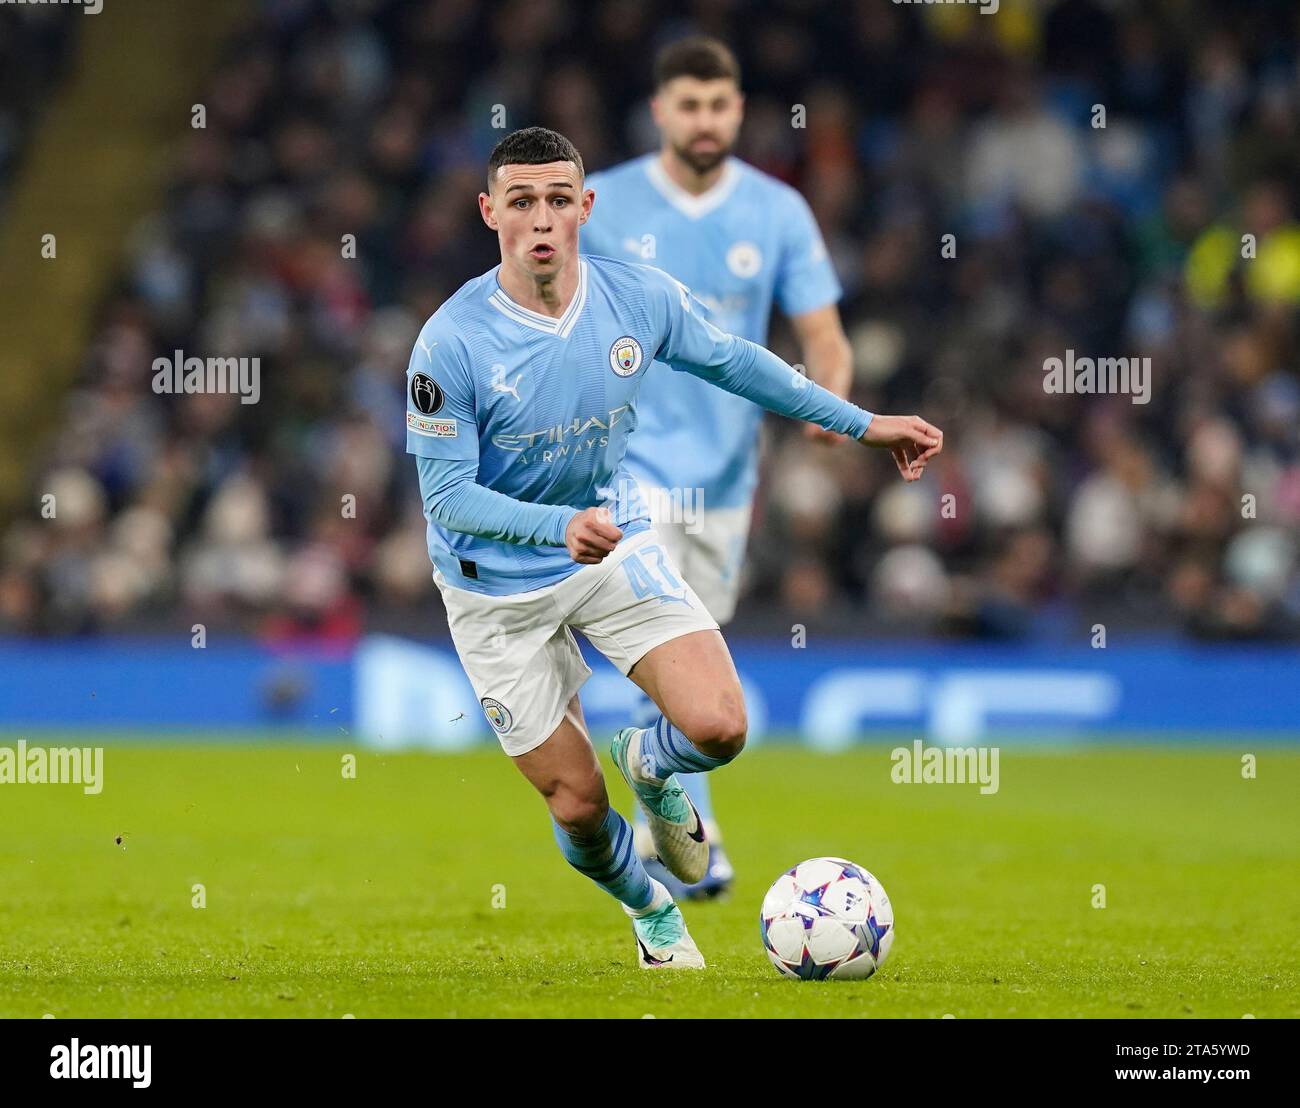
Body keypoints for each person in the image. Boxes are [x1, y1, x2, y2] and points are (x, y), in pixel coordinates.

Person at [406, 126, 942, 969]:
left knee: (720, 728)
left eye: (556, 200)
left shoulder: (635, 299)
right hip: (495, 590)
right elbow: (446, 499)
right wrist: (557, 527)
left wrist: (862, 422)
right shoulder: (451, 342)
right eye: (520, 202)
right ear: (489, 213)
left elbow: (736, 362)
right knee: (578, 807)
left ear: (585, 208)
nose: (540, 218)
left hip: (610, 546)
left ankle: (649, 764)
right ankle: (652, 910)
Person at [581, 35, 854, 898]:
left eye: (719, 105)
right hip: (628, 467)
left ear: (738, 111)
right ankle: (692, 839)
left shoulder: (778, 212)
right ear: (661, 111)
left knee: (692, 654)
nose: (705, 120)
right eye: (688, 105)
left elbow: (822, 337)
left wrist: (831, 407)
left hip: (729, 478)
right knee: (659, 636)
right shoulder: (607, 204)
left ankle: (657, 786)